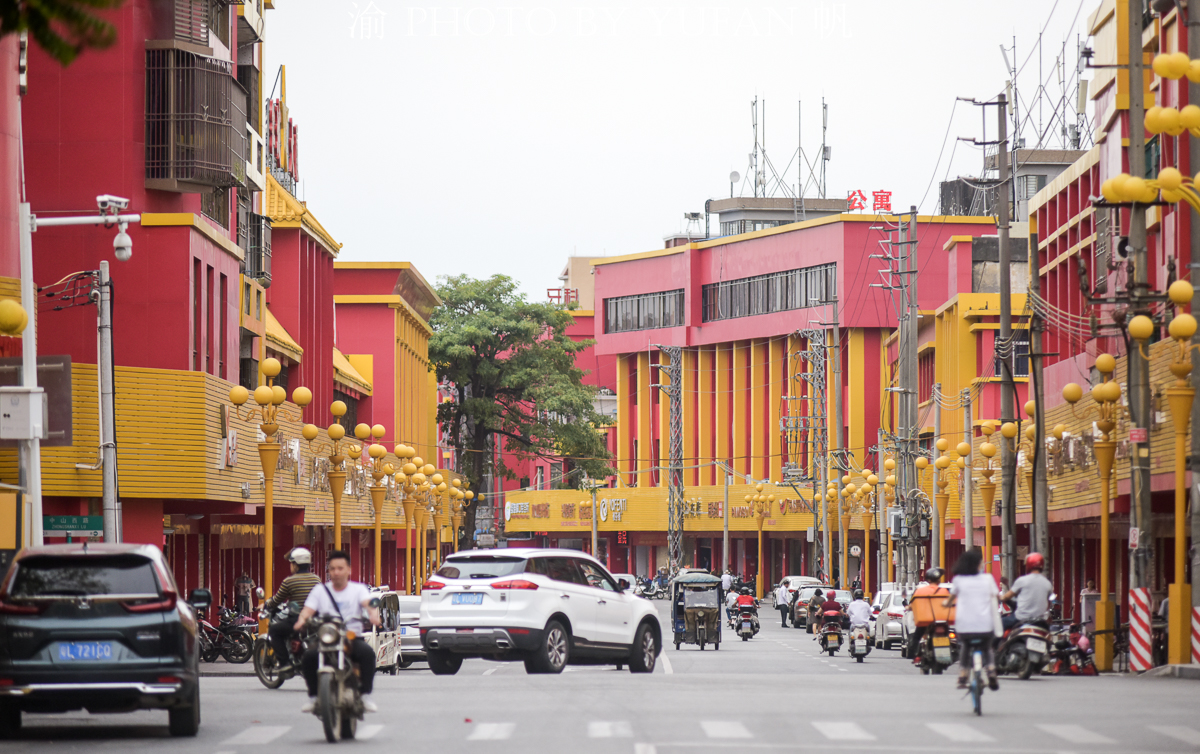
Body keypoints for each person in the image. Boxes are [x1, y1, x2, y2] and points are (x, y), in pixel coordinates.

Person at [295, 550, 382, 714]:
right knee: (308, 657)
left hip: (351, 638)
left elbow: (369, 604)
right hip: (327, 637)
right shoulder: (320, 590)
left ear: (349, 569)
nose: (336, 572)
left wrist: (373, 615)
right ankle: (314, 697)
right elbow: (308, 610)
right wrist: (301, 621)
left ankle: (364, 695)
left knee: (367, 654)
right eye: (332, 569)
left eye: (340, 568)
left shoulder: (358, 589)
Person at [945, 549, 1000, 691]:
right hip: (985, 626)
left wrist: (946, 604)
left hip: (965, 626)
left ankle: (963, 675)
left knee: (965, 647)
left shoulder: (958, 580)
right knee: (987, 648)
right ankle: (991, 671)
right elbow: (997, 596)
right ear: (978, 564)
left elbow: (950, 600)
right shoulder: (988, 579)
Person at [262, 547, 322, 673]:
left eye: (291, 563)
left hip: (298, 619)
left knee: (274, 630)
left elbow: (276, 600)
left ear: (295, 565)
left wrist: (266, 604)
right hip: (315, 618)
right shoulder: (316, 579)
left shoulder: (289, 581)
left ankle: (284, 663)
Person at [905, 567, 950, 662]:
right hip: (941, 620)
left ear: (928, 580)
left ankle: (916, 655)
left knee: (916, 637)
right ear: (938, 580)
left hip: (925, 621)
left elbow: (913, 605)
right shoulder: (944, 591)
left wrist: (908, 607)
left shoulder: (920, 591)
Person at [1000, 552, 1053, 632]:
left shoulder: (1022, 580)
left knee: (1000, 623)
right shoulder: (1047, 583)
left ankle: (997, 644)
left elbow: (1007, 596)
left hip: (1021, 618)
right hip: (1040, 621)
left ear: (1028, 565)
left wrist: (999, 598)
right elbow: (1048, 601)